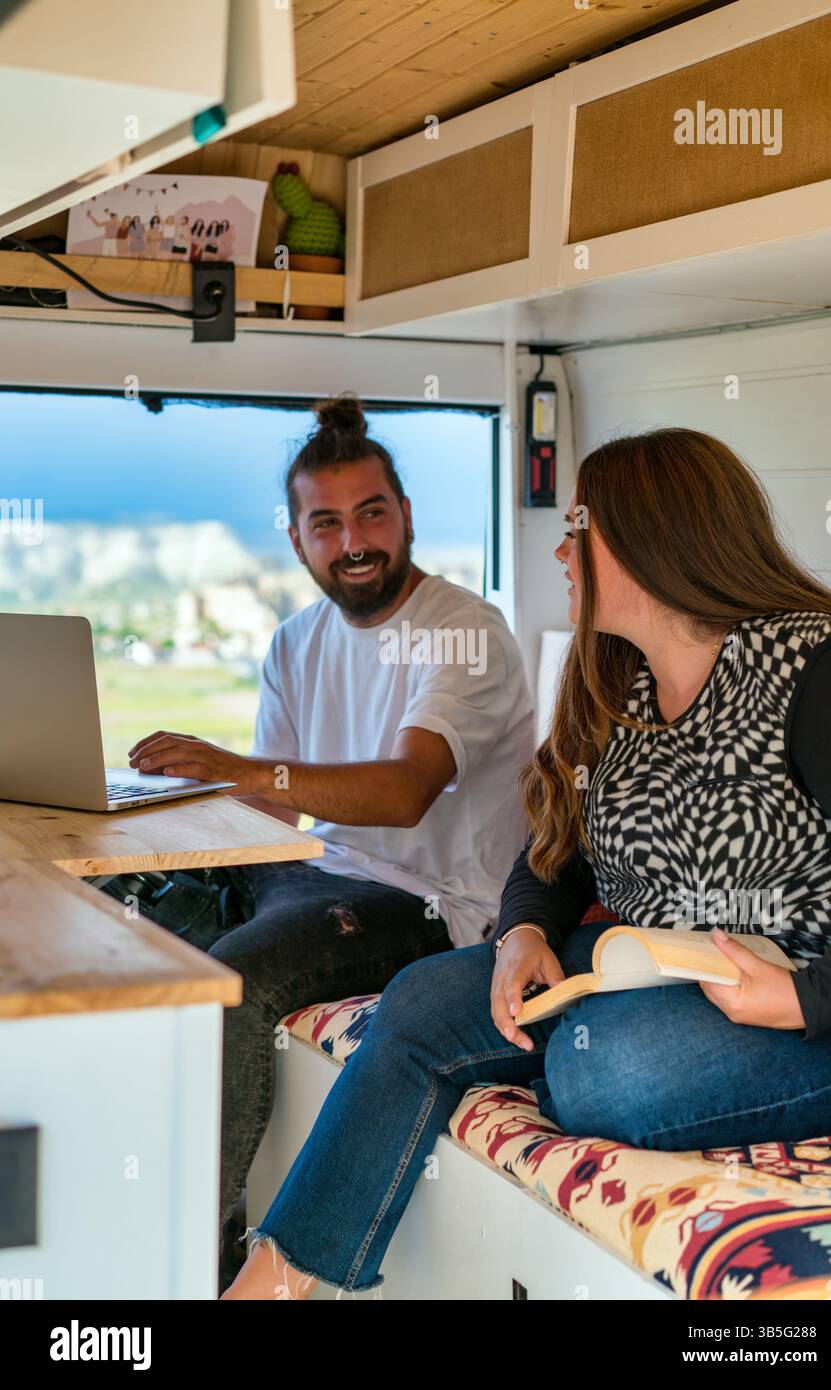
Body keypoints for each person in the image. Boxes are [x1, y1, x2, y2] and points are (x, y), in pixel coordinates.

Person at [217, 425, 831, 1301]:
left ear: (647, 536)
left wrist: (807, 995)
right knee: (424, 1001)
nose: (560, 550)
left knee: (608, 1072)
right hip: (677, 977)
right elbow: (552, 846)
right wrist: (524, 928)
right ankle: (276, 1279)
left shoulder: (817, 670)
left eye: (577, 529)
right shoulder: (616, 682)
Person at [127, 395, 536, 1285]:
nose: (354, 540)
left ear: (408, 518)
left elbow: (402, 792)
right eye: (327, 522)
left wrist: (238, 768)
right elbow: (270, 814)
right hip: (318, 875)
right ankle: (107, 1197)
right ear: (298, 540)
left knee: (225, 986)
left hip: (429, 907)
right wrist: (137, 818)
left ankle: (190, 1261)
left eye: (372, 514)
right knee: (121, 938)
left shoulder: (464, 632)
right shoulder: (294, 641)